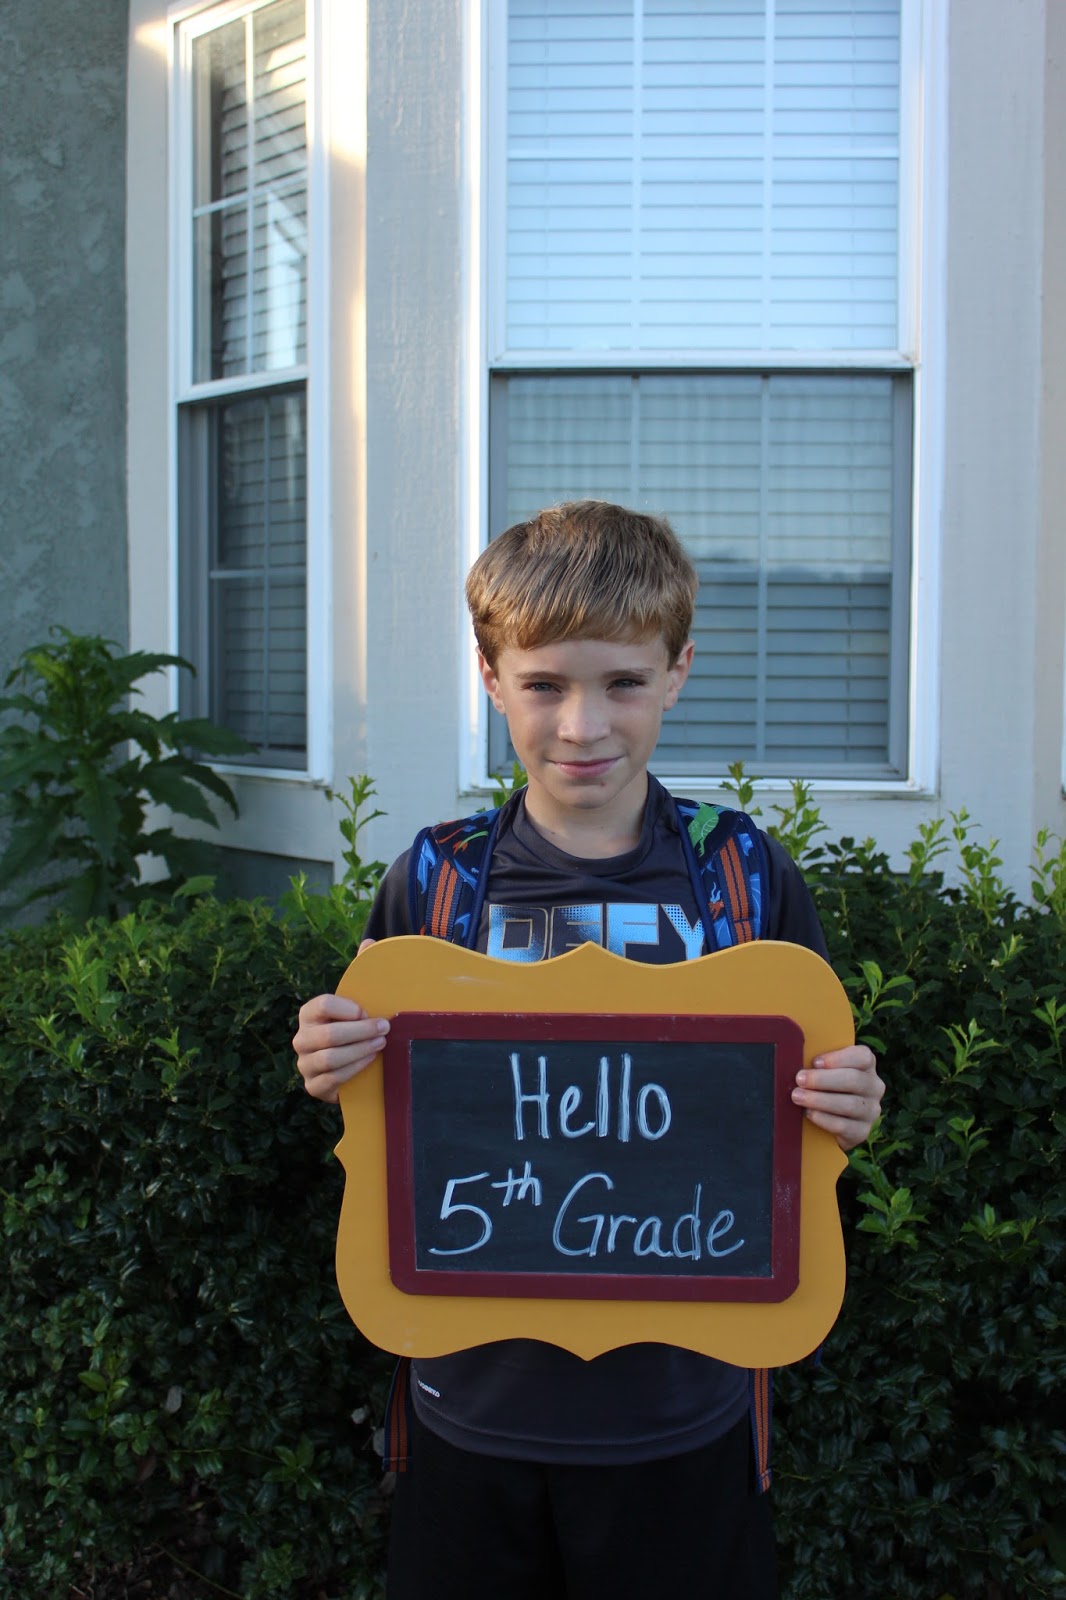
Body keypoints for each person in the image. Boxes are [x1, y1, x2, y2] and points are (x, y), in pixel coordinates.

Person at [293, 500, 885, 1600]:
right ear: (489, 674)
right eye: (545, 684)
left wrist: (848, 1101)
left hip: (682, 1411)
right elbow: (379, 1109)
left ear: (677, 672)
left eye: (620, 682)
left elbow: (810, 1095)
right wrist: (333, 1055)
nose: (582, 725)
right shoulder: (437, 880)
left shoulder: (739, 875)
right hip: (468, 1403)